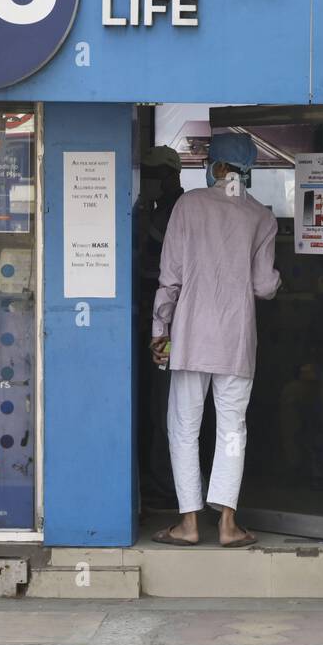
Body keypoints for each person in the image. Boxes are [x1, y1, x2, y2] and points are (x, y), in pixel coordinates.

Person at [149, 132, 281, 547]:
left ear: (216, 166)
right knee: (231, 429)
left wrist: (160, 329)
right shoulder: (262, 216)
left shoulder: (189, 205)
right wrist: (277, 279)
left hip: (189, 335)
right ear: (246, 170)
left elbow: (170, 276)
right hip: (235, 337)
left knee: (184, 429)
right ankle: (227, 525)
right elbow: (263, 286)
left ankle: (188, 525)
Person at [134, 145, 184, 511]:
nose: (148, 181)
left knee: (167, 406)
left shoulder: (177, 213)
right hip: (154, 322)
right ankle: (160, 481)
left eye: (153, 174)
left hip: (171, 325)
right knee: (156, 404)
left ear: (170, 176)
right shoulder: (154, 210)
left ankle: (170, 488)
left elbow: (163, 274)